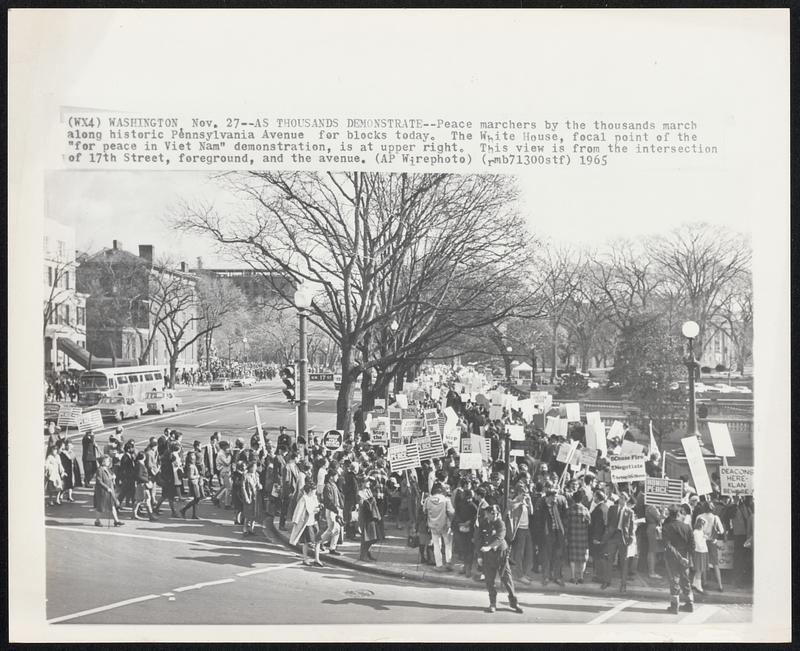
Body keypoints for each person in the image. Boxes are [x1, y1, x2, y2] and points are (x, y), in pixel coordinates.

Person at [478, 503, 523, 614]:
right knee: (489, 580)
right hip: (488, 556)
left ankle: (514, 602)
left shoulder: (500, 523)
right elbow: (478, 539)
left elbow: (499, 538)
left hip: (500, 554)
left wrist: (489, 547)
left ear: (496, 513)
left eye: (492, 513)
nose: (489, 515)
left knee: (507, 579)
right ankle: (492, 603)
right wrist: (479, 556)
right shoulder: (483, 523)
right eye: (488, 513)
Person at [662, 504, 695, 613]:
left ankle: (674, 606)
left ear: (670, 514)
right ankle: (690, 604)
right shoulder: (687, 527)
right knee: (686, 580)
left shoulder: (666, 527)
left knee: (674, 580)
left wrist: (680, 558)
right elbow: (692, 545)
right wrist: (687, 558)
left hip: (672, 557)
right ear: (679, 514)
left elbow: (668, 545)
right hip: (685, 557)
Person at [604, 491, 635, 593]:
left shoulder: (629, 512)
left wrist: (631, 538)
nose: (620, 500)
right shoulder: (612, 508)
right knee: (610, 559)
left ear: (626, 500)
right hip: (613, 536)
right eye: (620, 497)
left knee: (624, 562)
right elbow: (608, 522)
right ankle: (607, 581)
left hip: (623, 537)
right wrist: (608, 533)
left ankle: (623, 584)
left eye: (623, 498)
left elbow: (631, 526)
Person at [289, 478, 324, 567]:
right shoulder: (304, 498)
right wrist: (296, 521)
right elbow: (299, 510)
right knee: (307, 542)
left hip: (314, 521)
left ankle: (317, 559)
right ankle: (305, 558)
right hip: (307, 523)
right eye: (314, 490)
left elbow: (316, 506)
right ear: (309, 490)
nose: (315, 492)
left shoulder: (314, 497)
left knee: (318, 540)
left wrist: (319, 507)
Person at [540, 483, 568, 587]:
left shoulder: (562, 500)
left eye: (556, 496)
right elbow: (539, 519)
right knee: (546, 555)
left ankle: (557, 576)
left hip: (559, 532)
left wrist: (564, 530)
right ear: (548, 497)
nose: (555, 499)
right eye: (553, 497)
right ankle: (546, 576)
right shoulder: (542, 502)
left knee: (558, 554)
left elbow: (566, 516)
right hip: (548, 532)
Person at [423, 481, 455, 572]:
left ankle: (439, 565)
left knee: (437, 545)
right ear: (441, 490)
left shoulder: (427, 500)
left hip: (433, 525)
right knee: (448, 544)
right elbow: (451, 512)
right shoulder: (446, 500)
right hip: (445, 525)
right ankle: (448, 563)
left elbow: (424, 512)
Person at [507, 482, 534, 583]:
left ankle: (524, 573)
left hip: (527, 529)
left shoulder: (525, 501)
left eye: (526, 492)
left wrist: (529, 501)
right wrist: (519, 500)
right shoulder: (514, 501)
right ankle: (519, 575)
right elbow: (511, 508)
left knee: (529, 552)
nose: (524, 494)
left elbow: (531, 512)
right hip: (519, 530)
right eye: (523, 492)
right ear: (518, 492)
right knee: (519, 553)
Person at [696, 501, 725, 591]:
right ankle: (720, 585)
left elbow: (696, 528)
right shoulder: (715, 517)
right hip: (712, 541)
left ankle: (704, 582)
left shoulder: (699, 517)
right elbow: (722, 531)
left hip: (702, 541)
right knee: (715, 564)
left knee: (703, 562)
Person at [566, 489, 591, 584]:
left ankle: (572, 576)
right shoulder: (585, 510)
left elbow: (566, 523)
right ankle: (581, 576)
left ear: (573, 499)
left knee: (572, 557)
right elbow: (589, 523)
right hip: (583, 536)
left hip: (572, 536)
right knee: (583, 558)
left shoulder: (569, 510)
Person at [319, 468, 344, 556]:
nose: (337, 477)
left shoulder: (333, 485)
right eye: (336, 476)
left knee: (336, 529)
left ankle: (332, 548)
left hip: (336, 509)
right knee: (331, 529)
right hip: (331, 510)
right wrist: (336, 509)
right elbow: (328, 501)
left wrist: (340, 507)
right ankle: (318, 542)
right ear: (331, 477)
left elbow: (338, 497)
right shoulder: (327, 486)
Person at [93, 455, 123, 527]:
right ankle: (97, 520)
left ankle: (116, 520)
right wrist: (107, 488)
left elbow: (110, 476)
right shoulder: (100, 470)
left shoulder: (107, 469)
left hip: (110, 490)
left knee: (112, 505)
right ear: (103, 462)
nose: (109, 462)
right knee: (100, 507)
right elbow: (99, 481)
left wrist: (113, 477)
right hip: (102, 491)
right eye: (107, 461)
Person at [357, 477, 382, 562]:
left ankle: (368, 553)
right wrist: (370, 501)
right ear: (362, 483)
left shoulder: (368, 491)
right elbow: (361, 506)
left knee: (372, 537)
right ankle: (363, 555)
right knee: (366, 537)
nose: (369, 483)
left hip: (371, 517)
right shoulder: (360, 493)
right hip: (365, 517)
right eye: (367, 481)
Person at [132, 451, 157, 521]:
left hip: (141, 484)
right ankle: (150, 515)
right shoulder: (140, 465)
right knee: (147, 499)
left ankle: (134, 514)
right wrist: (147, 480)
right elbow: (139, 476)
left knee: (139, 500)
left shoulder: (139, 464)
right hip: (143, 484)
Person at [241, 461, 262, 535]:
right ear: (250, 467)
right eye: (253, 467)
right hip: (249, 496)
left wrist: (260, 486)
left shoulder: (256, 475)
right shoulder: (245, 475)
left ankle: (251, 528)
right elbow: (243, 487)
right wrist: (246, 497)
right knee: (247, 513)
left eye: (255, 467)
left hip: (255, 496)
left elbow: (258, 484)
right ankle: (245, 529)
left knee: (254, 513)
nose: (255, 468)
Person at [180, 452, 203, 520]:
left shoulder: (192, 465)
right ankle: (184, 509)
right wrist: (198, 476)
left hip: (195, 483)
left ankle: (194, 514)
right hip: (193, 483)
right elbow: (190, 476)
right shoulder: (191, 466)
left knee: (196, 499)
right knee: (197, 498)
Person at [213, 441, 233, 509]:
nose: (228, 448)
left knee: (225, 486)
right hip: (224, 471)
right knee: (228, 488)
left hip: (225, 471)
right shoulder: (221, 454)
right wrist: (230, 455)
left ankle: (216, 497)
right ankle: (227, 504)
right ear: (223, 446)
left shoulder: (223, 453)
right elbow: (227, 463)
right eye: (227, 446)